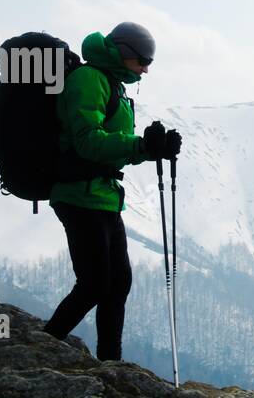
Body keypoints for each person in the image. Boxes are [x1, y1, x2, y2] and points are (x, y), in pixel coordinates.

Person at [42, 22, 181, 360]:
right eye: (143, 61)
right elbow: (87, 141)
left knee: (117, 283)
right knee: (94, 283)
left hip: (102, 194)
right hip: (78, 194)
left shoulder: (113, 83)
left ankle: (110, 363)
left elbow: (111, 150)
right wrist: (138, 144)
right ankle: (44, 345)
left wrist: (151, 149)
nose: (146, 69)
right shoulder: (89, 80)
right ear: (123, 53)